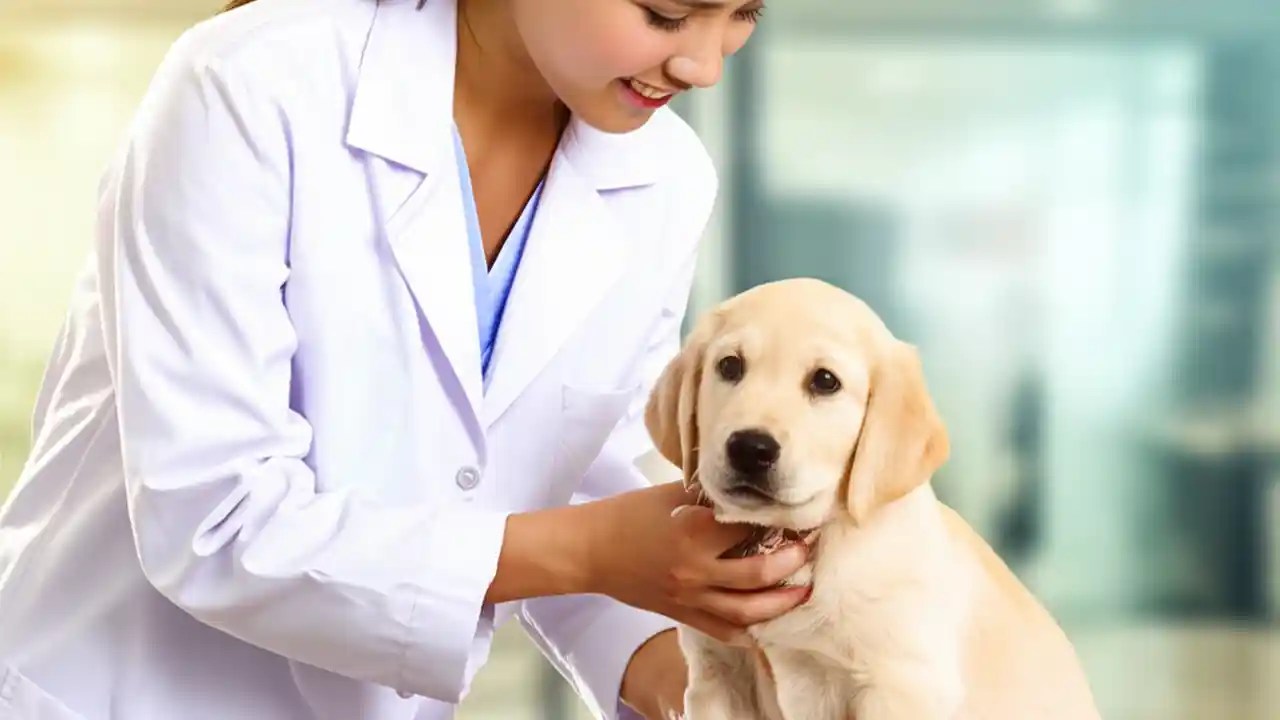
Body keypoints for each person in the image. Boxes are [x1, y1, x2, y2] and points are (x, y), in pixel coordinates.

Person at [0, 0, 811, 718]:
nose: (701, 66)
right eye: (666, 14)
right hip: (111, 690)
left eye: (745, 15)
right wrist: (592, 549)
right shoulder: (251, 81)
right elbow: (211, 519)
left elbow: (581, 478)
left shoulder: (665, 177)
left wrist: (693, 693)